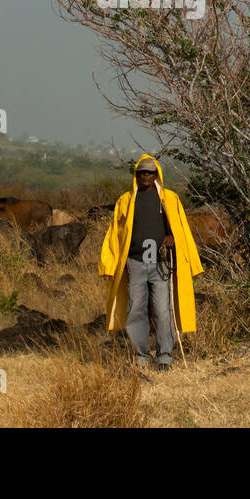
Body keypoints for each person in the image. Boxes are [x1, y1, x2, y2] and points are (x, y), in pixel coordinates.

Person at [98, 154, 203, 370]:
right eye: (142, 172)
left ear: (156, 174)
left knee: (163, 310)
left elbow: (180, 230)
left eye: (149, 172)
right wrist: (109, 265)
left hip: (161, 263)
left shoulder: (170, 199)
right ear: (136, 175)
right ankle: (141, 357)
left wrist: (171, 237)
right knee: (137, 310)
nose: (146, 175)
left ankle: (164, 357)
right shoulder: (125, 201)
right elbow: (114, 234)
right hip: (135, 262)